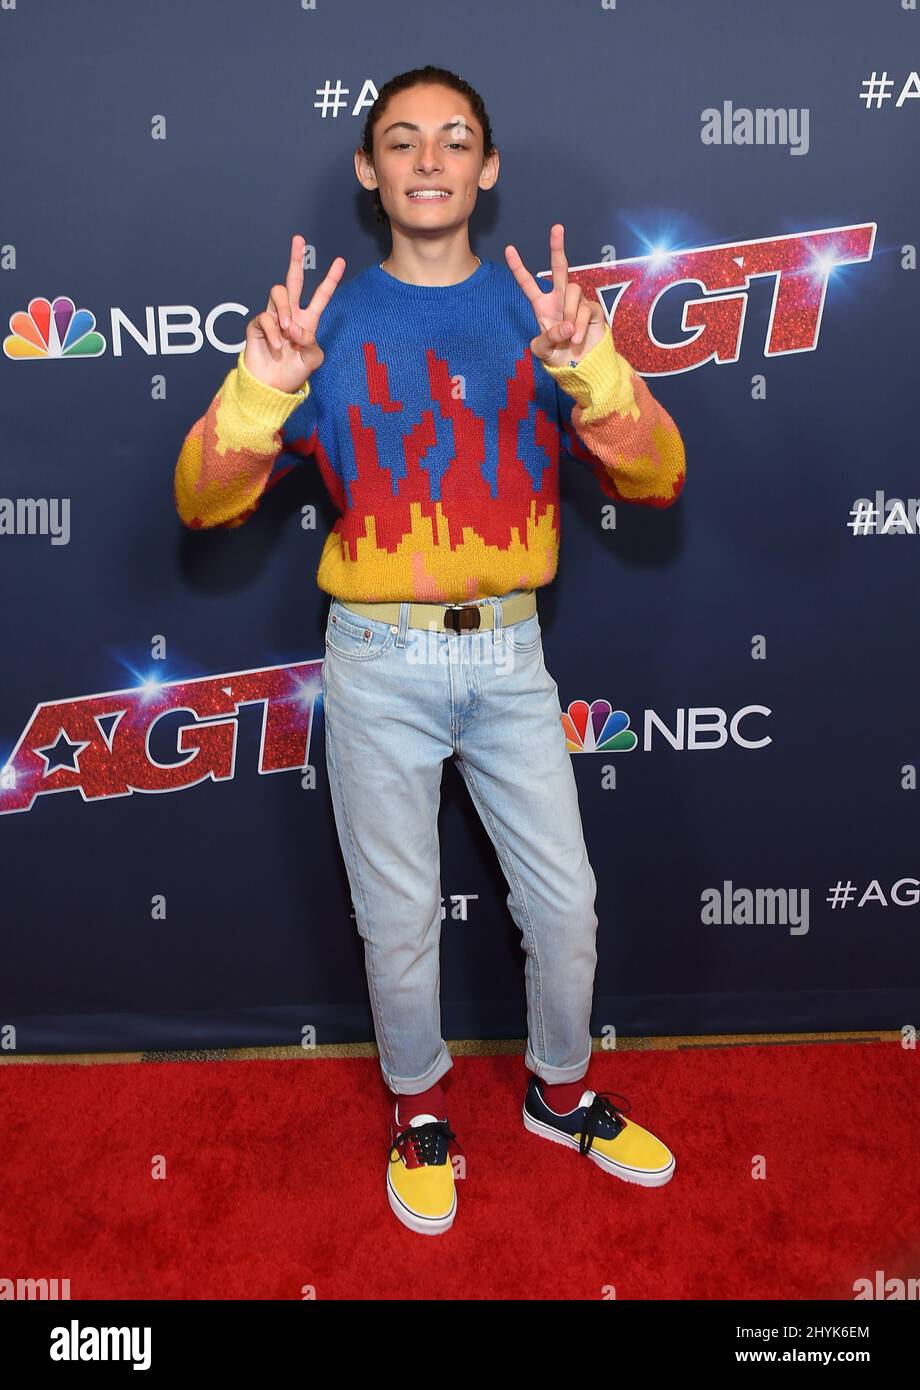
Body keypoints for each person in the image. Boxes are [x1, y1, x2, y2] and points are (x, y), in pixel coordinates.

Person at [174, 65, 686, 1237]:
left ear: (485, 168)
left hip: (509, 660)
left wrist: (591, 369)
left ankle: (561, 1095)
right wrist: (257, 393)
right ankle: (419, 1113)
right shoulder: (322, 322)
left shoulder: (539, 313)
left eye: (453, 140)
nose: (426, 159)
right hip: (373, 661)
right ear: (368, 170)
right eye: (400, 141)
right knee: (395, 920)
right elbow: (199, 503)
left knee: (565, 907)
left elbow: (658, 476)